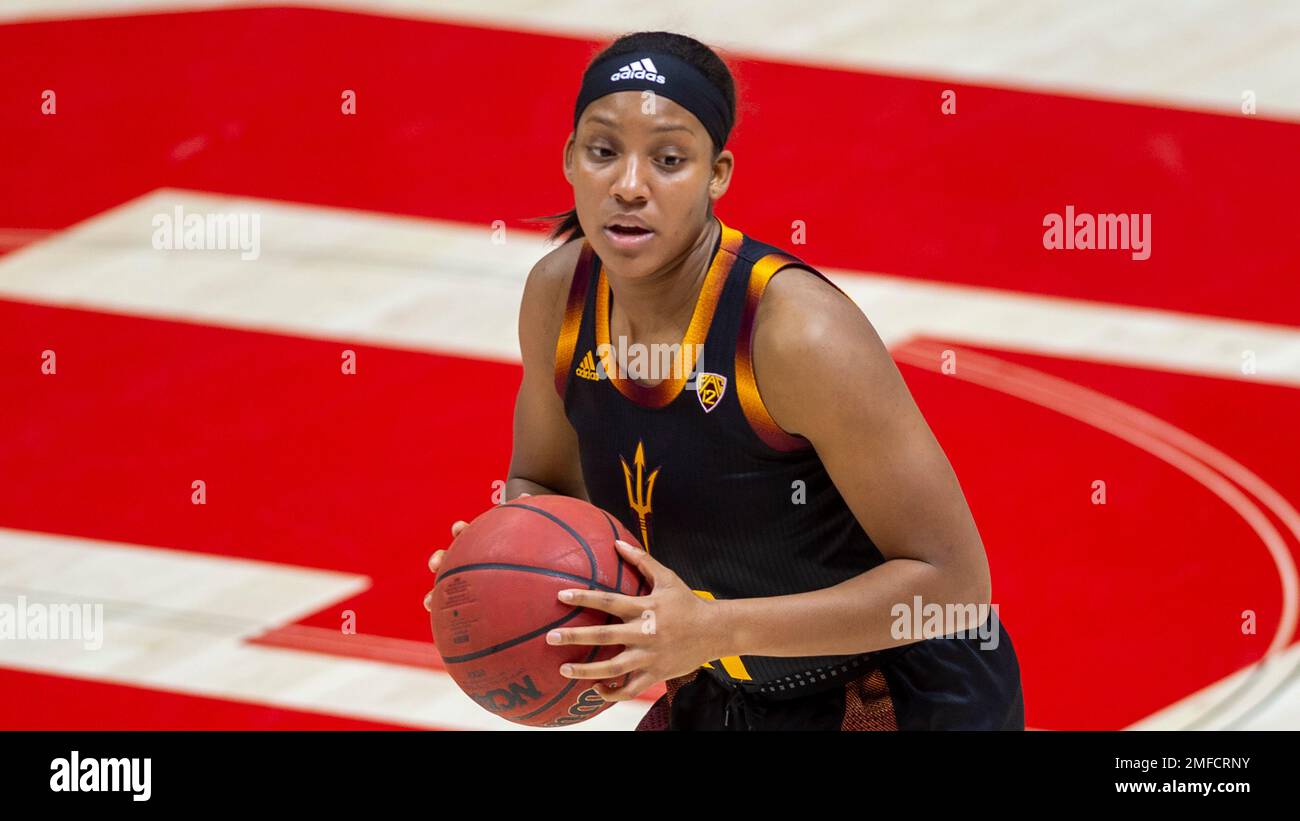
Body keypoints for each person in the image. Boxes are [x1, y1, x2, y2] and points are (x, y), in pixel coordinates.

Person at [424, 30, 1024, 730]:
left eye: (670, 159)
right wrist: (499, 559)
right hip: (728, 691)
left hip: (898, 692)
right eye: (603, 150)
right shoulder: (560, 296)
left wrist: (712, 628)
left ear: (719, 174)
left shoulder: (795, 332)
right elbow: (543, 482)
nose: (629, 185)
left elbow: (955, 584)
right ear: (569, 160)